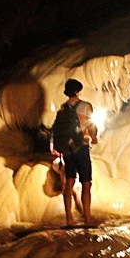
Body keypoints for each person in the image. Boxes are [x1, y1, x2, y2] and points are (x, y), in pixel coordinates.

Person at [51, 79, 98, 226]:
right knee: (86, 183)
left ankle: (69, 218)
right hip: (81, 147)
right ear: (78, 91)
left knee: (69, 182)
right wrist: (94, 137)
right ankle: (87, 217)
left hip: (67, 149)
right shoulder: (85, 106)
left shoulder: (63, 109)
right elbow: (91, 125)